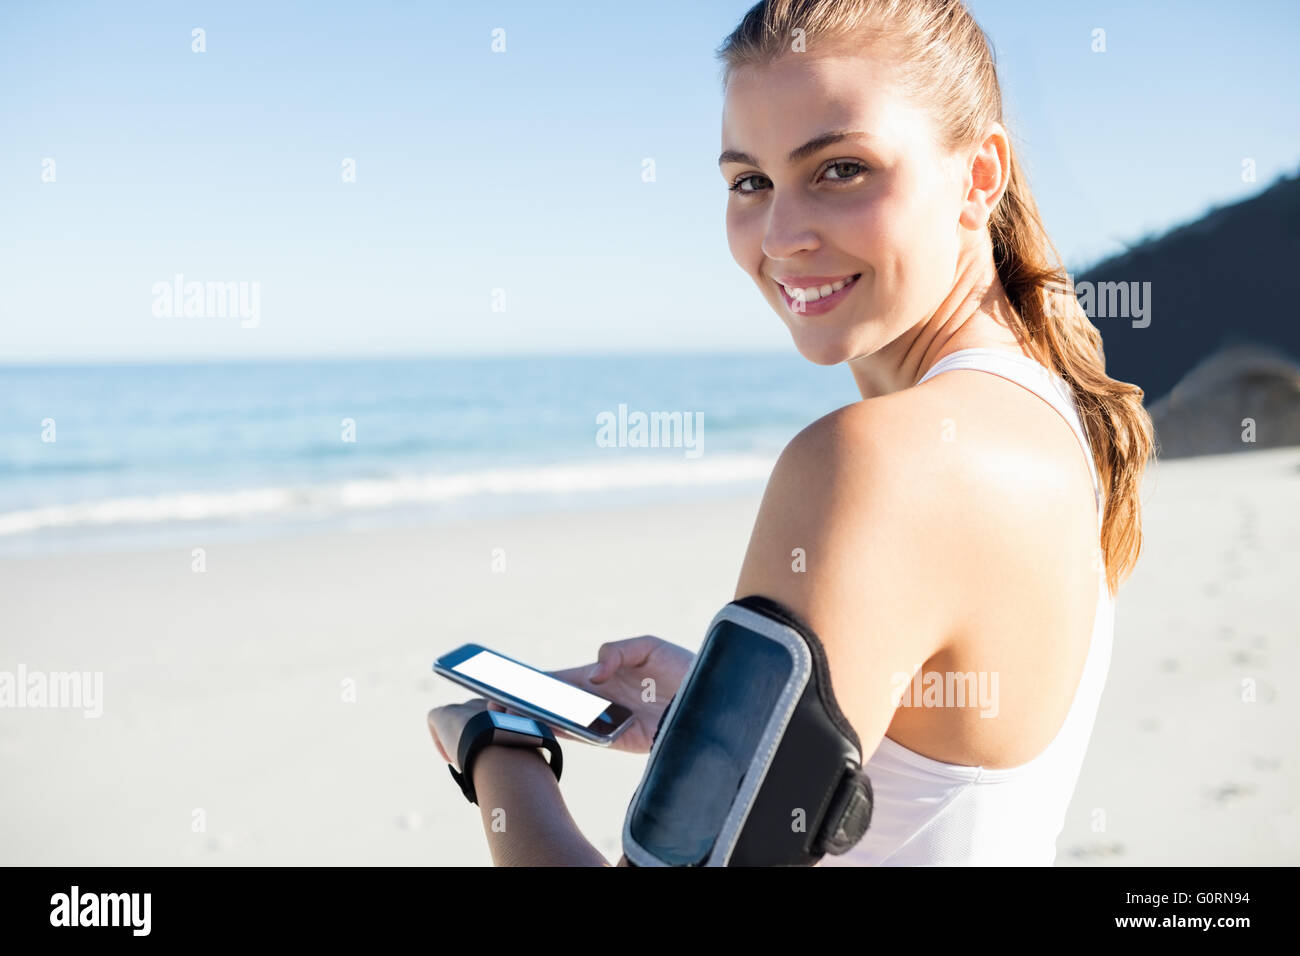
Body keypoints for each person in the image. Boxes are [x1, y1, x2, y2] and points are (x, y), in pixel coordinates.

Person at [427, 0, 1154, 866]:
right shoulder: (1053, 413)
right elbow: (934, 763)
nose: (780, 236)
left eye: (840, 169)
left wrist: (498, 750)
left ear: (979, 175)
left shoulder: (881, 459)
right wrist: (729, 714)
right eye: (750, 181)